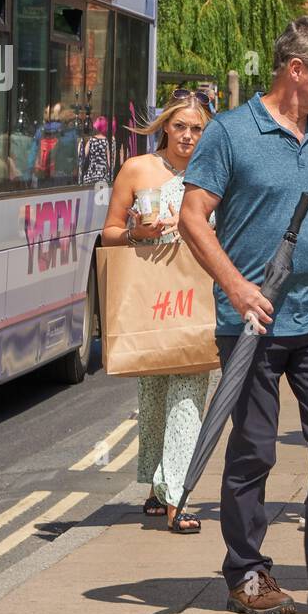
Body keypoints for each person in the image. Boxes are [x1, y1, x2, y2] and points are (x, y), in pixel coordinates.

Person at [179, 16, 308, 614]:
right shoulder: (229, 132)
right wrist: (237, 288)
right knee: (253, 449)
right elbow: (195, 217)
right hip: (252, 321)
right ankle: (246, 570)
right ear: (295, 71)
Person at [100, 94, 218, 534]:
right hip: (152, 296)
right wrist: (135, 230)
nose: (188, 136)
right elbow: (108, 234)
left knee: (188, 395)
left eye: (198, 129)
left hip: (194, 293)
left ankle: (177, 497)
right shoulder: (137, 170)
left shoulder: (213, 172)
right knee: (153, 395)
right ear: (165, 126)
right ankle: (156, 484)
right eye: (182, 126)